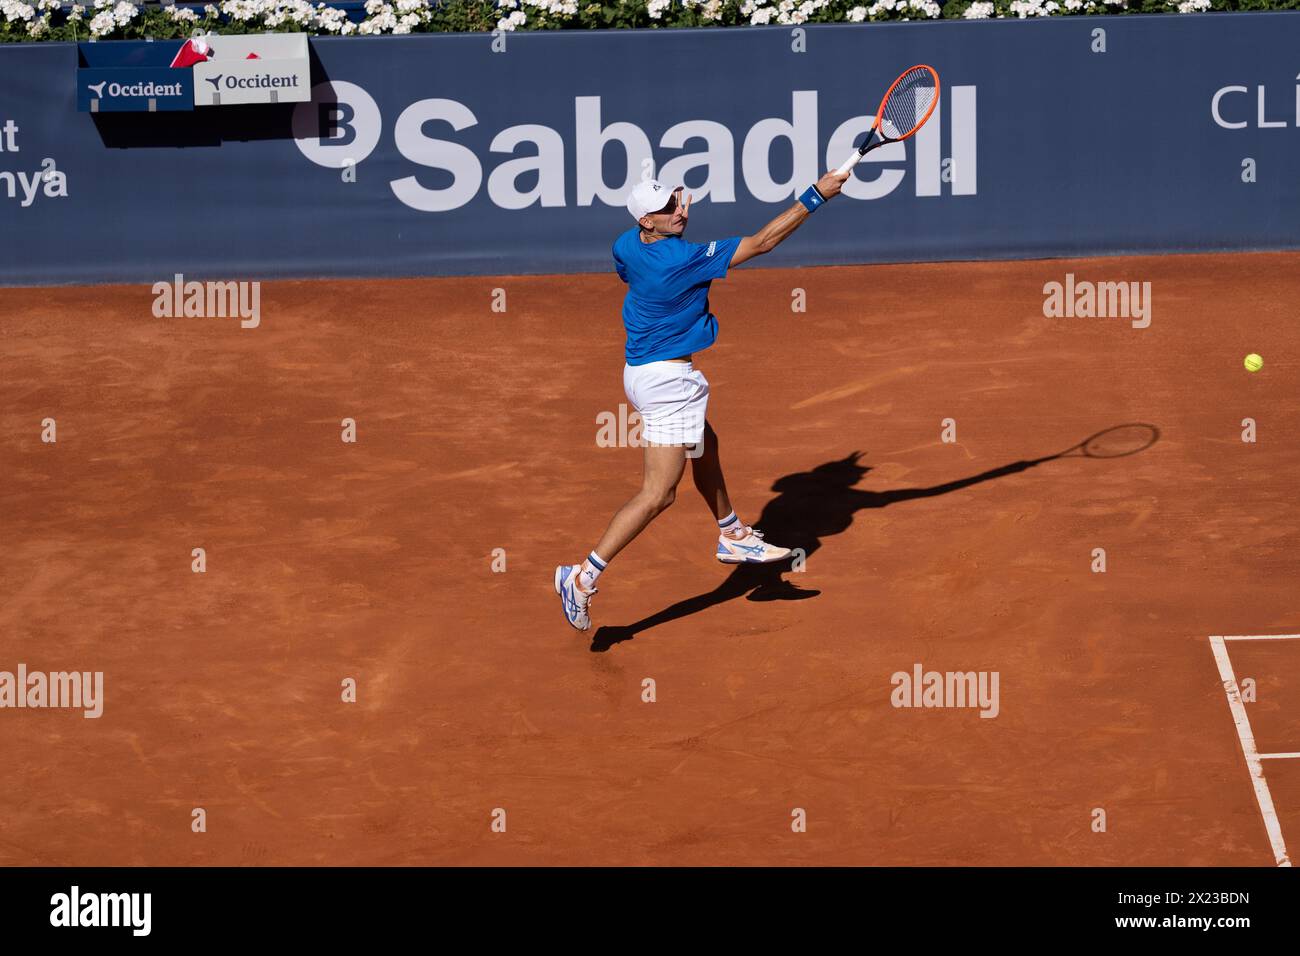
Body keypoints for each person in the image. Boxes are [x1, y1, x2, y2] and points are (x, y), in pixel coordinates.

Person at [555, 168, 851, 631]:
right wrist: (817, 196)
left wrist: (669, 226)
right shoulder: (682, 258)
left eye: (678, 200)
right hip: (668, 382)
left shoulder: (627, 244)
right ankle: (583, 576)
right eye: (667, 208)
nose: (679, 210)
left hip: (641, 370)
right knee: (659, 494)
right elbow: (762, 243)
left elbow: (630, 268)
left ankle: (731, 533)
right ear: (647, 221)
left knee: (705, 445)